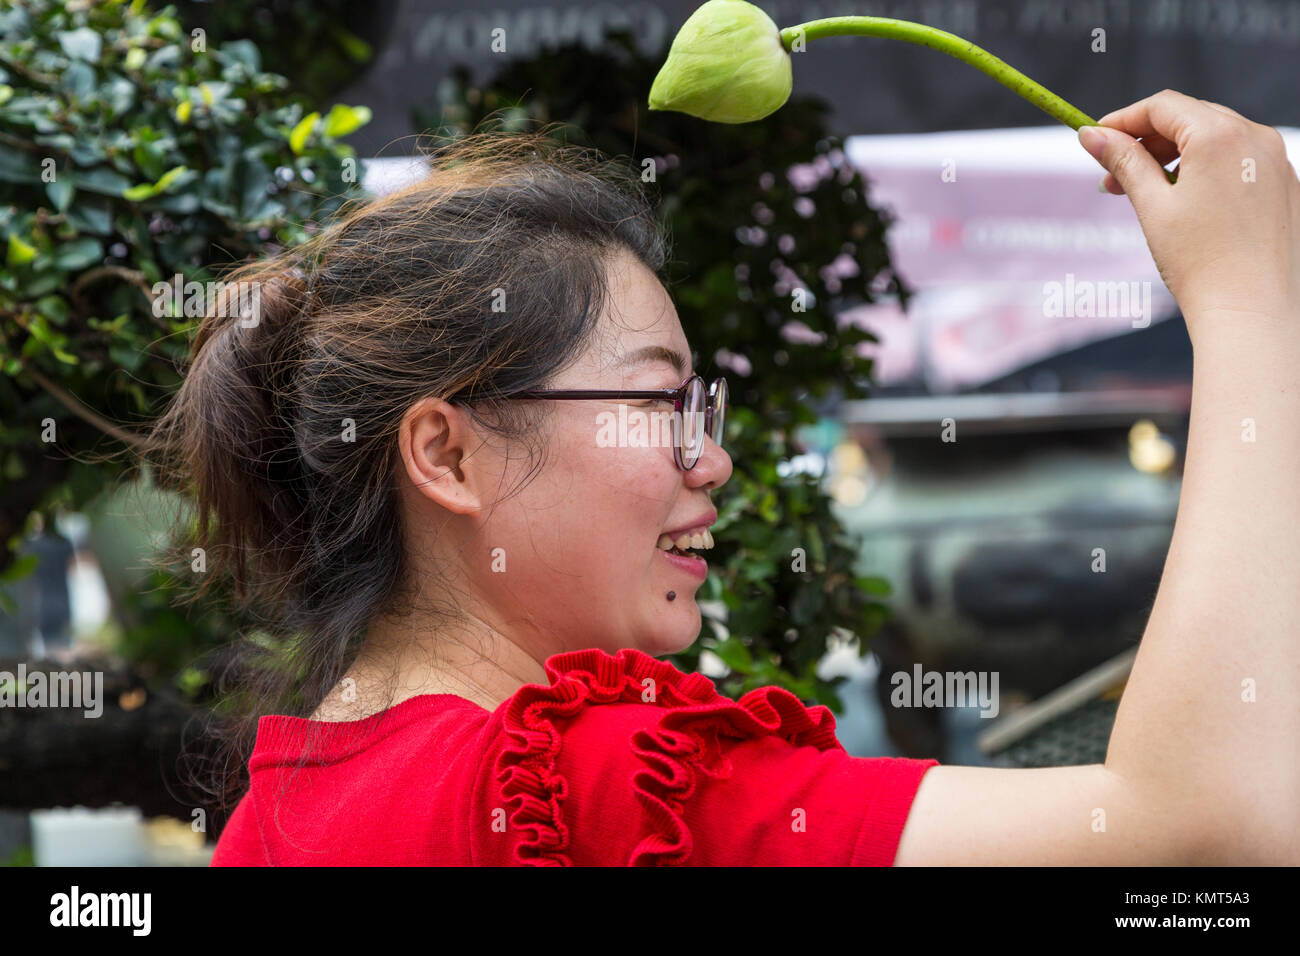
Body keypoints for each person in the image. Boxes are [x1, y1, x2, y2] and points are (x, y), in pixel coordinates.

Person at [162, 89, 1298, 865]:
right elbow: (1201, 828)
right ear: (449, 453)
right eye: (662, 400)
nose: (714, 457)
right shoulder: (596, 785)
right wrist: (1250, 300)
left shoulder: (273, 817)